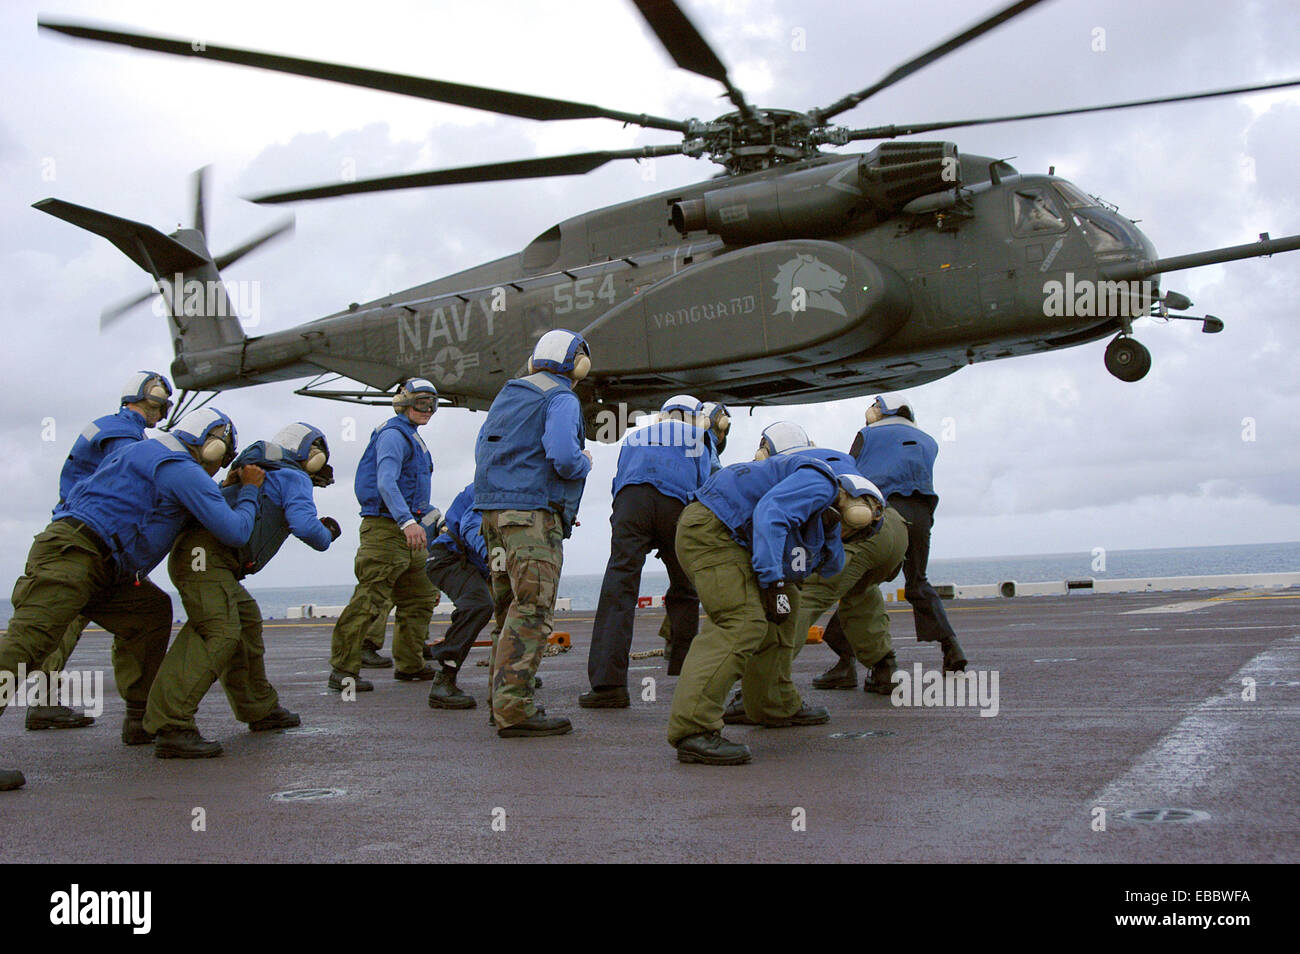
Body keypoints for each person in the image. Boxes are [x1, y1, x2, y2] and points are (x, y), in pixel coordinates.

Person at [0, 407, 261, 791]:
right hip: (75, 555)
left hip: (100, 563)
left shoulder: (141, 451)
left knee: (150, 613)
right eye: (221, 460)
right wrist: (250, 490)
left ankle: (140, 719)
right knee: (27, 643)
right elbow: (236, 531)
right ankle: (147, 718)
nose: (218, 471)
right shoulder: (183, 469)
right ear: (212, 444)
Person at [667, 422, 882, 765]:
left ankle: (773, 703)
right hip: (714, 532)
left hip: (732, 533)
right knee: (742, 622)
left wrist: (827, 540)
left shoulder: (825, 488)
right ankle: (693, 729)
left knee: (786, 614)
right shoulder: (824, 480)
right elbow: (771, 515)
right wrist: (773, 582)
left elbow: (827, 566)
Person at [143, 423, 341, 758]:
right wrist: (329, 532)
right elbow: (308, 529)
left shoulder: (254, 472)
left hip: (198, 556)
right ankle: (171, 724)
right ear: (313, 454)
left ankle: (259, 708)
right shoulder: (294, 478)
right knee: (218, 630)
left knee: (246, 620)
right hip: (208, 559)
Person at [26, 371, 174, 732]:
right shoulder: (120, 433)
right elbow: (136, 473)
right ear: (146, 400)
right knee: (61, 623)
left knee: (65, 623)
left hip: (90, 540)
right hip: (90, 543)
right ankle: (137, 713)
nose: (162, 414)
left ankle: (47, 704)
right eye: (160, 405)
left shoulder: (116, 430)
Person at [475, 329, 592, 738]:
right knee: (532, 610)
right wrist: (585, 462)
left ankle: (500, 705)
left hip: (493, 519)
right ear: (578, 363)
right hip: (530, 519)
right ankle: (515, 711)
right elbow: (562, 456)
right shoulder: (561, 398)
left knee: (507, 611)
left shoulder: (509, 393)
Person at [817, 396, 967, 680]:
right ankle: (952, 648)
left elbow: (852, 474)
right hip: (921, 513)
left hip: (882, 514)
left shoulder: (868, 434)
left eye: (874, 405)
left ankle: (847, 661)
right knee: (918, 582)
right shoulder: (928, 440)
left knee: (855, 582)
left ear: (882, 410)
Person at [581, 395, 713, 708]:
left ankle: (608, 686)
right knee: (685, 586)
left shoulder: (636, 436)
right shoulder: (698, 437)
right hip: (677, 504)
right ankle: (683, 668)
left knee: (619, 587)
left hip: (631, 502)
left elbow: (620, 481)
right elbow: (704, 485)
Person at [328, 379, 443, 691]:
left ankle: (410, 665)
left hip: (410, 531)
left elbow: (409, 489)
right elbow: (385, 482)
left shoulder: (411, 437)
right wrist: (407, 521)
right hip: (387, 530)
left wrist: (428, 520)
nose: (428, 409)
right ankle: (343, 671)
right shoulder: (394, 436)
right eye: (421, 403)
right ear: (403, 403)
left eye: (433, 403)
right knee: (370, 600)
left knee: (420, 597)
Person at [424, 482, 500, 709]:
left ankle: (511, 673)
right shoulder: (490, 483)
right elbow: (471, 524)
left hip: (472, 563)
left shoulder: (506, 479)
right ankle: (443, 680)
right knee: (478, 605)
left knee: (511, 607)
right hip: (447, 559)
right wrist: (493, 557)